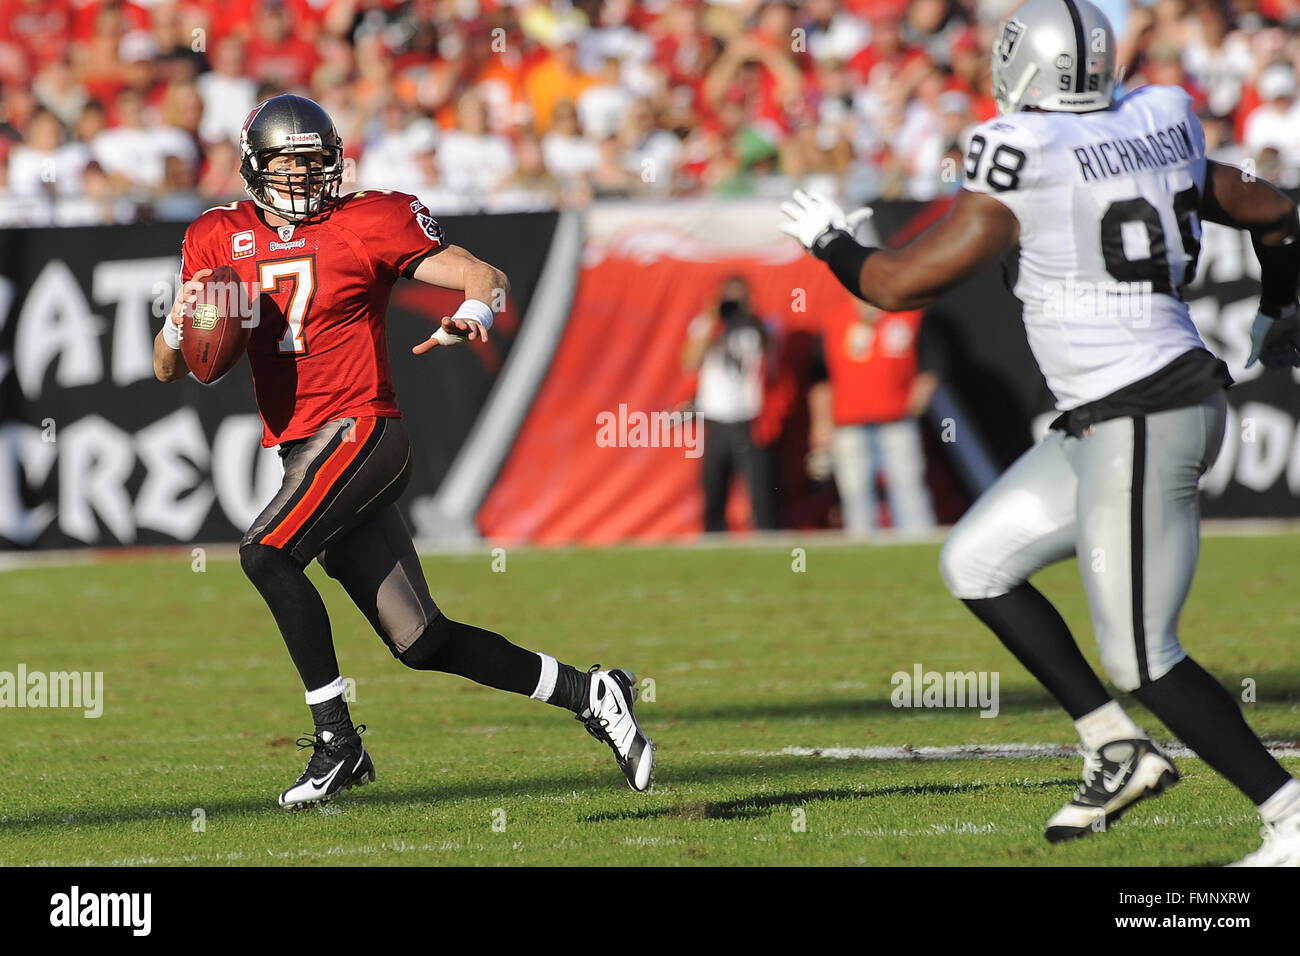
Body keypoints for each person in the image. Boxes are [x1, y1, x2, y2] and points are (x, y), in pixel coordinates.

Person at [780, 0, 1300, 865]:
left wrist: (832, 243)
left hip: (1143, 411)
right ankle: (1114, 747)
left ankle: (1288, 814)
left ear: (1025, 64)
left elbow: (897, 284)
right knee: (975, 562)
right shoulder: (1157, 115)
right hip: (1113, 416)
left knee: (1142, 655)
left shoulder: (1025, 152)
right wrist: (1281, 303)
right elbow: (1274, 209)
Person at [153, 94, 653, 808]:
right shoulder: (215, 237)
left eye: (315, 160)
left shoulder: (370, 219)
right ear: (256, 165)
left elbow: (486, 276)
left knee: (264, 552)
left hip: (364, 430)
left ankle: (337, 742)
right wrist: (180, 323)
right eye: (290, 161)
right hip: (302, 452)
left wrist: (474, 314)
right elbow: (173, 367)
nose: (304, 175)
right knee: (421, 640)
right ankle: (590, 692)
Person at [808, 296, 938, 535]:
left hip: (896, 422)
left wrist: (910, 410)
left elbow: (930, 370)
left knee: (907, 486)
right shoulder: (835, 320)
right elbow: (821, 378)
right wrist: (820, 423)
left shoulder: (908, 316)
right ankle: (861, 546)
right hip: (849, 424)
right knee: (855, 491)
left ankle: (918, 542)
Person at [681, 276, 779, 532]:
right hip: (716, 419)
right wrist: (714, 320)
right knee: (713, 489)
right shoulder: (707, 325)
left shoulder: (761, 326)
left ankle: (766, 538)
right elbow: (690, 362)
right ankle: (714, 540)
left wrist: (749, 317)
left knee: (760, 492)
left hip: (749, 419)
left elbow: (771, 355)